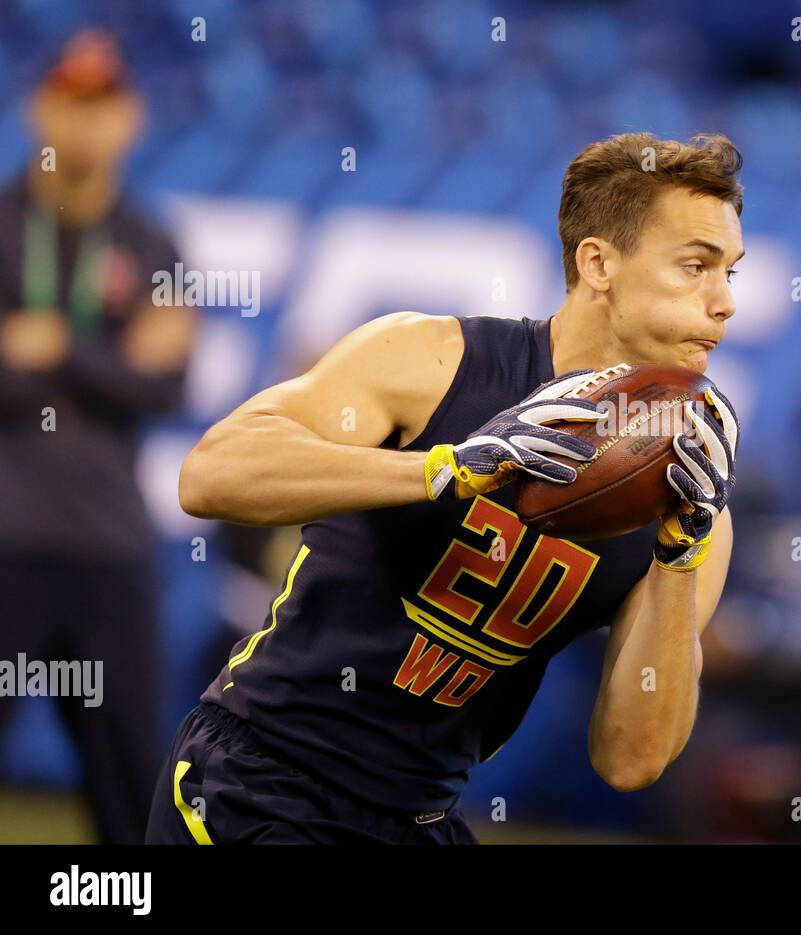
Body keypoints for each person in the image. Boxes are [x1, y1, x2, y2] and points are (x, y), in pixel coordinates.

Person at [145, 132, 743, 844]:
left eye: (731, 272)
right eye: (696, 267)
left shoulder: (691, 506)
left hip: (420, 817)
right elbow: (211, 471)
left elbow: (632, 757)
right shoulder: (438, 359)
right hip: (266, 778)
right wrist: (445, 468)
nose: (724, 303)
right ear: (598, 263)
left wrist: (679, 560)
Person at [0, 30, 196, 844]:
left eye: (104, 104)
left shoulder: (152, 240)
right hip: (7, 536)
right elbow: (136, 368)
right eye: (72, 102)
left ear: (133, 118)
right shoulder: (5, 226)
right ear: (36, 109)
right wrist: (110, 358)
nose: (87, 124)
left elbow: (167, 381)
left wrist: (53, 346)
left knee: (128, 781)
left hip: (109, 543)